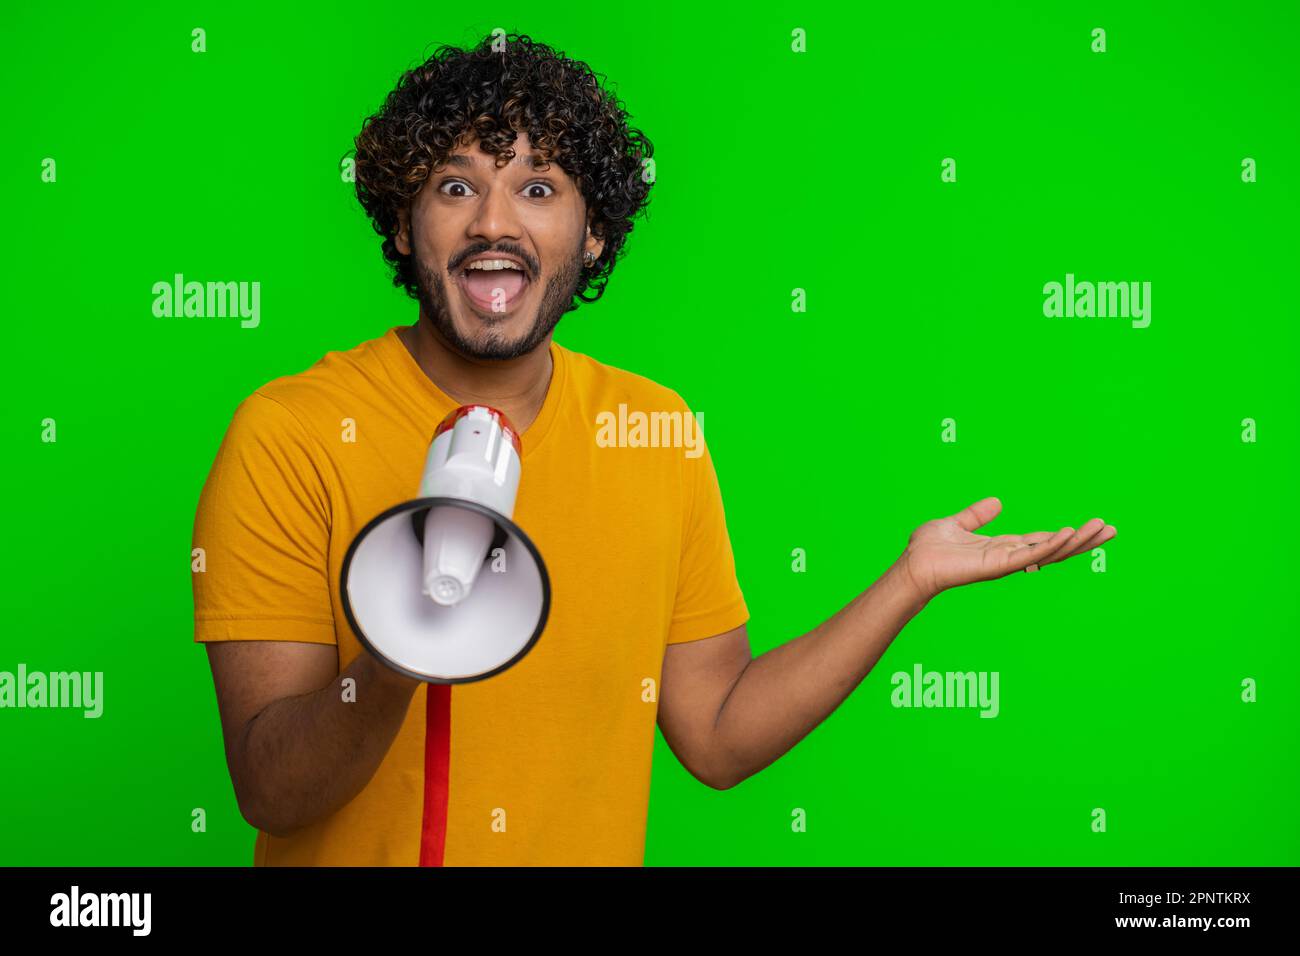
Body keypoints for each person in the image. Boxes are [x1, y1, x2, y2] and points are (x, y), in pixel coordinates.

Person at [192, 33, 1116, 867]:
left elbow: (716, 735)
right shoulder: (292, 432)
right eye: (456, 184)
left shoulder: (654, 431)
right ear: (404, 223)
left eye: (541, 188)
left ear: (592, 237)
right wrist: (402, 643)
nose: (494, 223)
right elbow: (271, 792)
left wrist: (906, 582)